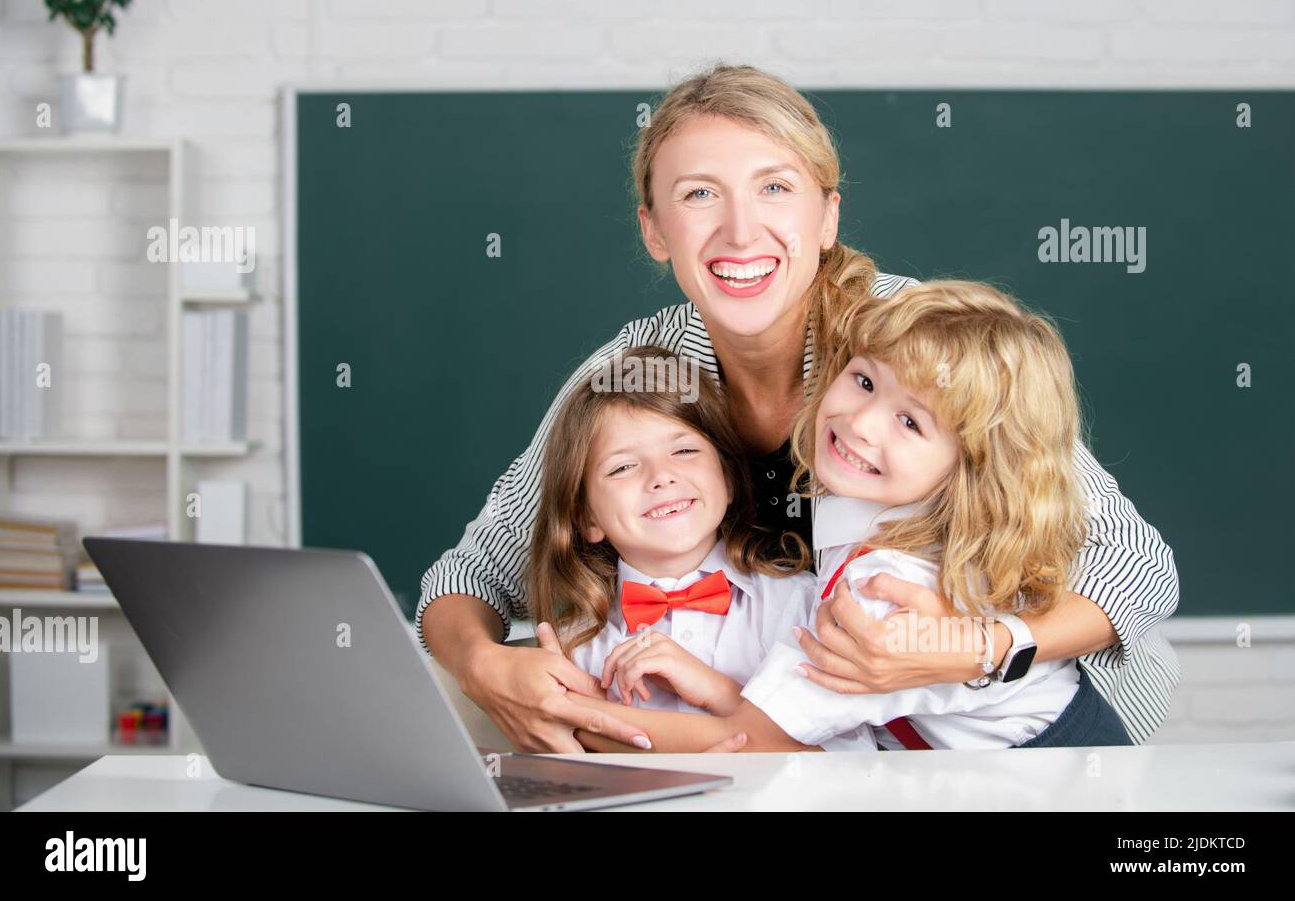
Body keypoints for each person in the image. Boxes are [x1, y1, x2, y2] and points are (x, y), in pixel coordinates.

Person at [417, 63, 1179, 753]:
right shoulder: (634, 379)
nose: (742, 230)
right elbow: (470, 575)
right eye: (699, 194)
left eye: (775, 188)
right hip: (838, 756)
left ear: (828, 218)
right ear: (655, 230)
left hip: (1039, 746)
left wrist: (965, 649)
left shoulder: (912, 349)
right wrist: (483, 666)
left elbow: (1139, 568)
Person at [560, 281, 1136, 752]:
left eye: (911, 423)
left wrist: (575, 717)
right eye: (863, 381)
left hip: (1055, 768)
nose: (860, 423)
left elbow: (751, 744)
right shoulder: (855, 506)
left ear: (972, 466)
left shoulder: (884, 590)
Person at [527, 344, 818, 722]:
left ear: (728, 480)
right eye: (623, 467)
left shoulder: (797, 605)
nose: (661, 476)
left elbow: (849, 753)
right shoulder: (574, 649)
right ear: (586, 519)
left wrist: (719, 693)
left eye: (683, 451)